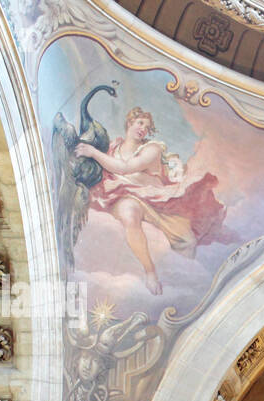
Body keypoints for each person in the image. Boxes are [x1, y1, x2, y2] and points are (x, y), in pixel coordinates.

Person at [75, 107, 232, 295]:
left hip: (156, 204)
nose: (143, 129)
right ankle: (150, 272)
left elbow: (124, 169)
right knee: (129, 213)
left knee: (186, 240)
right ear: (129, 122)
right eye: (140, 123)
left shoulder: (152, 149)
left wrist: (93, 153)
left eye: (148, 127)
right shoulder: (112, 148)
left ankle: (182, 282)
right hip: (121, 196)